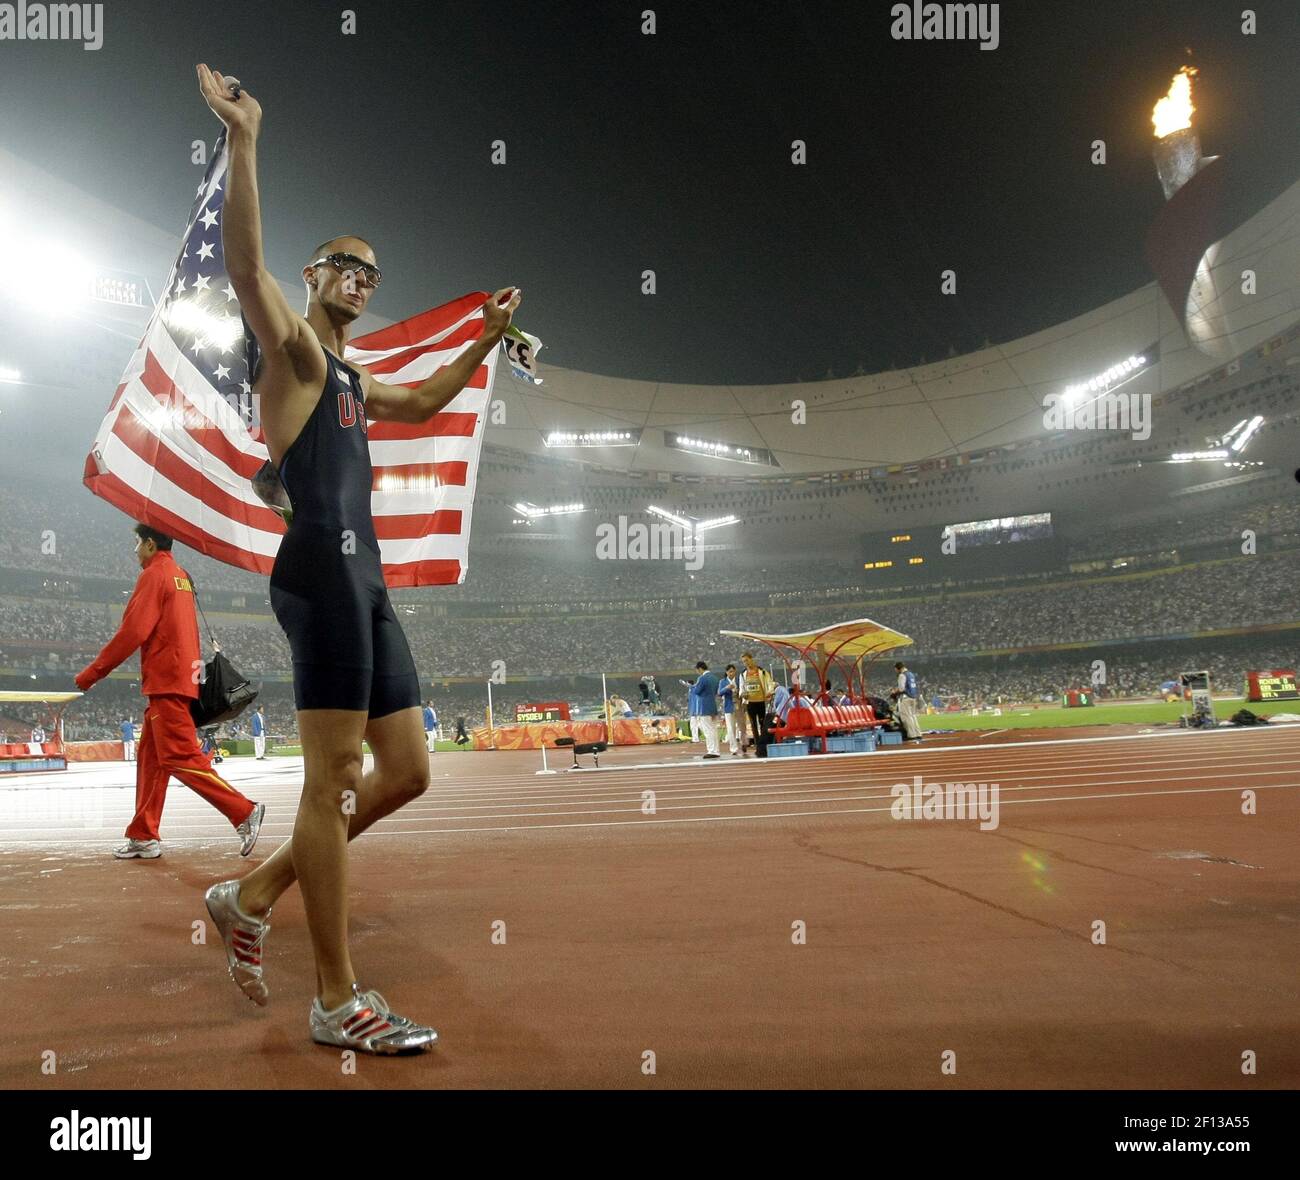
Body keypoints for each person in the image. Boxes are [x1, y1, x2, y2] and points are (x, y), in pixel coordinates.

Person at [195, 63, 520, 1054]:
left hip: (365, 576)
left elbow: (422, 406)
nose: (362, 281)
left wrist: (485, 339)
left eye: (373, 273)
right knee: (333, 779)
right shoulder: (294, 351)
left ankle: (252, 893)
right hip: (320, 570)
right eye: (347, 264)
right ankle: (336, 998)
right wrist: (245, 141)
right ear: (315, 273)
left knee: (407, 768)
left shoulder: (351, 374)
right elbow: (247, 272)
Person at [75, 524, 263, 860]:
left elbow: (133, 631)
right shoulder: (181, 575)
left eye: (136, 544)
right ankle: (143, 834)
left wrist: (92, 673)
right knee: (151, 761)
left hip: (166, 683)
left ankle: (243, 811)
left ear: (150, 544)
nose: (134, 551)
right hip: (181, 680)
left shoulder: (154, 575)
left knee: (179, 757)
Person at [739, 652, 775, 757]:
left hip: (760, 701)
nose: (745, 663)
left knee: (763, 724)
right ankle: (758, 747)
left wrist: (770, 691)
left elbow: (769, 683)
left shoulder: (762, 671)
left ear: (751, 659)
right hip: (750, 703)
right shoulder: (743, 674)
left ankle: (764, 746)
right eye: (743, 661)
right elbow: (742, 687)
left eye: (746, 660)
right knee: (754, 726)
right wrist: (742, 694)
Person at [688, 662, 721, 759]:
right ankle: (716, 750)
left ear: (700, 669)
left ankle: (712, 750)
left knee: (707, 730)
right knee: (714, 729)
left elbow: (697, 691)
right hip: (712, 705)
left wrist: (691, 687)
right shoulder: (715, 678)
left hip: (704, 707)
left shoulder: (702, 678)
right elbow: (716, 692)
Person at [892, 661, 923, 741]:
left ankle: (911, 735)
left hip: (906, 698)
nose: (895, 671)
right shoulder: (911, 674)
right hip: (913, 697)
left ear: (898, 668)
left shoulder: (902, 675)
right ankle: (918, 733)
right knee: (913, 716)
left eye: (895, 669)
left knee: (906, 717)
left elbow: (901, 688)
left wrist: (894, 692)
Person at [719, 664, 741, 755]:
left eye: (732, 671)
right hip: (728, 706)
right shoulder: (723, 682)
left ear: (735, 671)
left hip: (739, 705)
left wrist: (738, 690)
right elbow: (719, 693)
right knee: (731, 728)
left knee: (741, 727)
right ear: (726, 672)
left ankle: (744, 744)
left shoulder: (739, 680)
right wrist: (727, 688)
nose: (731, 673)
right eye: (729, 671)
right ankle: (733, 748)